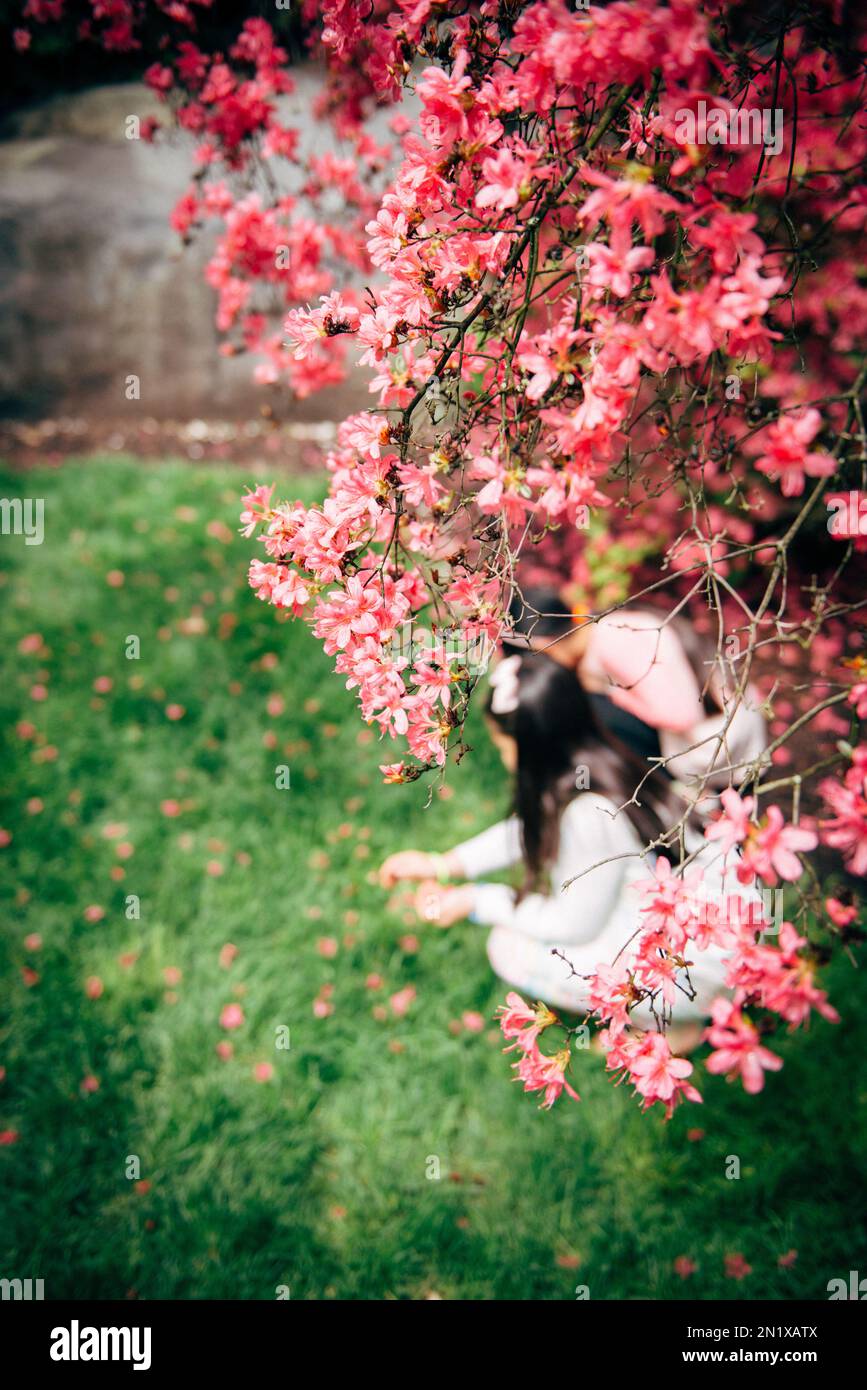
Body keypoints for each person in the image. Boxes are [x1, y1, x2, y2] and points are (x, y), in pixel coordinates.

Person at [379, 653, 762, 1031]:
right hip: (721, 927)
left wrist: (476, 901)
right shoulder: (602, 757)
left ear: (530, 750)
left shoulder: (588, 816)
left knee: (508, 948)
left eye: (503, 748)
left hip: (701, 966)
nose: (503, 758)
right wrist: (443, 864)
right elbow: (529, 829)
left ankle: (673, 1021)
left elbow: (574, 925)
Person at [505, 586, 767, 803]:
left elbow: (682, 715)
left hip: (722, 746)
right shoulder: (604, 630)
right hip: (728, 739)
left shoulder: (612, 641)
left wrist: (615, 695)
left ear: (546, 646)